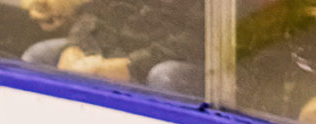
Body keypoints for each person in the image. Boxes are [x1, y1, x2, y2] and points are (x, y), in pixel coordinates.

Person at [21, 0, 204, 95]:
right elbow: (93, 9)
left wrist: (132, 66)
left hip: (183, 61)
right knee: (40, 55)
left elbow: (195, 39)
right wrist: (77, 47)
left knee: (164, 75)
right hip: (125, 47)